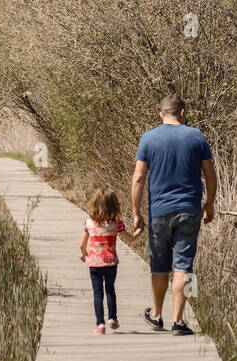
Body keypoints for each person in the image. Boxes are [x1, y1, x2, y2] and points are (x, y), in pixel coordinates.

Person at [131, 95, 216, 336]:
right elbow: (210, 174)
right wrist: (209, 203)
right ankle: (178, 321)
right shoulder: (196, 136)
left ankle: (156, 315)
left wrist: (136, 213)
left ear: (161, 115)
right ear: (183, 112)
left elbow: (138, 178)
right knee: (183, 265)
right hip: (189, 210)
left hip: (159, 211)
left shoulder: (148, 138)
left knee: (159, 265)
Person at [80, 187, 137, 334]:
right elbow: (129, 239)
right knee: (110, 290)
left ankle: (100, 324)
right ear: (114, 204)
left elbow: (82, 245)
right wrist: (138, 232)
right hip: (111, 262)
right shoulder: (117, 223)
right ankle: (112, 319)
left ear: (94, 204)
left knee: (97, 293)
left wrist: (84, 254)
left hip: (94, 263)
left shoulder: (89, 223)